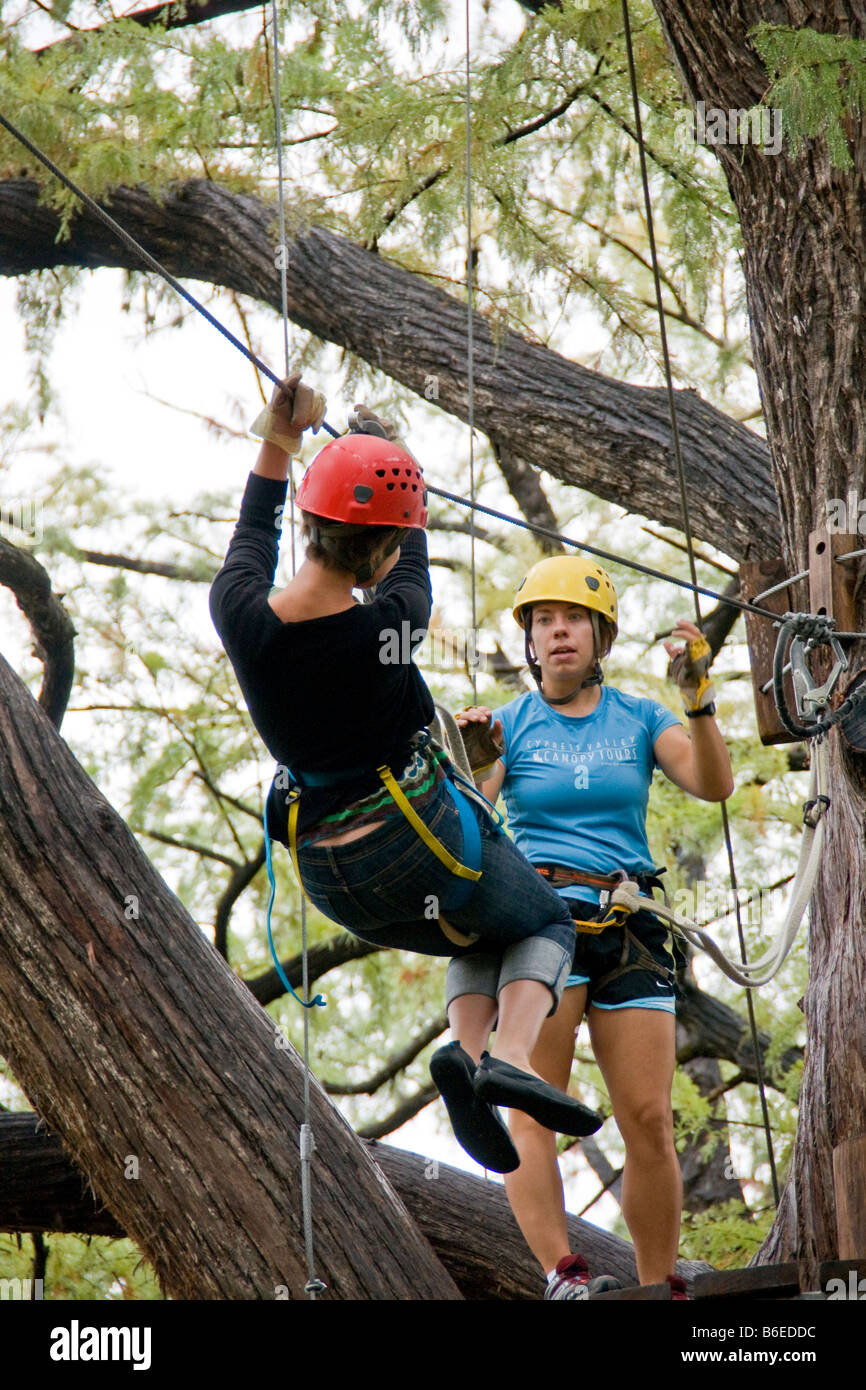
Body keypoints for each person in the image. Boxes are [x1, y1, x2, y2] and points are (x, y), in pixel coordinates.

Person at [208, 375, 603, 1175]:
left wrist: (285, 436)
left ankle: (466, 1056)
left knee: (478, 924)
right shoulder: (391, 621)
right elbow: (410, 557)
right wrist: (393, 451)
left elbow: (254, 525)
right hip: (415, 841)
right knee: (545, 924)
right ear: (383, 551)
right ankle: (510, 1059)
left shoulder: (238, 611)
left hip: (329, 874)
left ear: (312, 525)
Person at [456, 554, 734, 1299]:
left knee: (647, 1117)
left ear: (599, 634)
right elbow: (471, 830)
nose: (558, 633)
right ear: (529, 641)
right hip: (543, 925)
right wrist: (472, 760)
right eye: (543, 621)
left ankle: (656, 1285)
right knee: (534, 1106)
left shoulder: (641, 717)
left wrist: (698, 700)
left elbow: (714, 783)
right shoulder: (507, 724)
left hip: (630, 922)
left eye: (572, 619)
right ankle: (562, 1273)